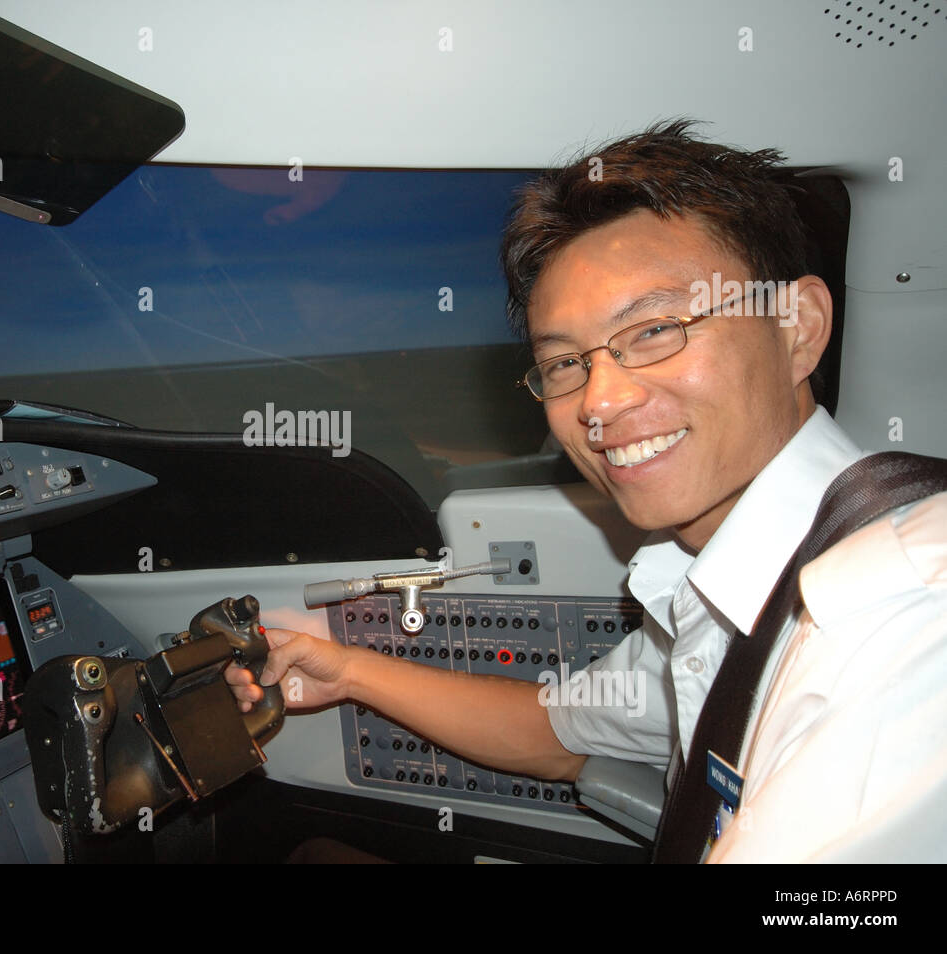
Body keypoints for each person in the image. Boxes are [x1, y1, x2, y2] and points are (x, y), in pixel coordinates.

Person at [226, 119, 947, 862]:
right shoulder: (719, 589)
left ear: (799, 328)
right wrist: (349, 669)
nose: (599, 402)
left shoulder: (905, 626)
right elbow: (558, 731)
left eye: (655, 330)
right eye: (566, 363)